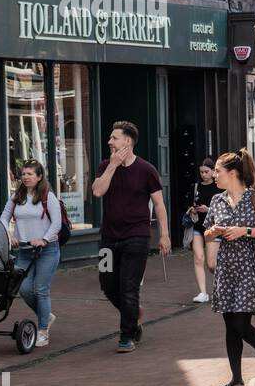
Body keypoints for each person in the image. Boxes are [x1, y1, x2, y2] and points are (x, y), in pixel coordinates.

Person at [92, 120, 169, 353]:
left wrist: (164, 235)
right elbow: (97, 191)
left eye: (114, 138)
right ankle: (133, 313)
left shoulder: (147, 170)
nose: (109, 141)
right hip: (108, 238)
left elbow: (159, 205)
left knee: (128, 287)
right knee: (107, 284)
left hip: (137, 237)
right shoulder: (105, 166)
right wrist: (113, 166)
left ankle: (127, 335)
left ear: (128, 141)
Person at [204, 150, 255, 386]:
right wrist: (214, 232)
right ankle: (236, 378)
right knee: (229, 324)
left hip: (248, 266)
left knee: (241, 323)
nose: (214, 175)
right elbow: (207, 233)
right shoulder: (217, 200)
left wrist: (244, 231)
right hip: (226, 268)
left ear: (232, 173)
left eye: (218, 171)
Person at [0, 160, 62, 347]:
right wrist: (9, 235)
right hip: (25, 251)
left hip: (47, 250)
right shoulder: (16, 196)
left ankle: (43, 330)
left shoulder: (48, 196)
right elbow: (4, 218)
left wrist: (44, 239)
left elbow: (56, 223)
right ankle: (46, 316)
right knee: (24, 289)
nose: (25, 177)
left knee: (40, 289)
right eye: (23, 174)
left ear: (39, 176)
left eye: (30, 174)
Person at [187, 159, 218, 304]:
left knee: (211, 264)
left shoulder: (219, 187)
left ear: (213, 171)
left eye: (206, 172)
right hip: (197, 226)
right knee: (198, 259)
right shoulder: (196, 187)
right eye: (201, 172)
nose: (204, 175)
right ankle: (203, 292)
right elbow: (189, 204)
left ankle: (223, 285)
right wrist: (193, 209)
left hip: (212, 228)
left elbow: (225, 209)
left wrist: (208, 210)